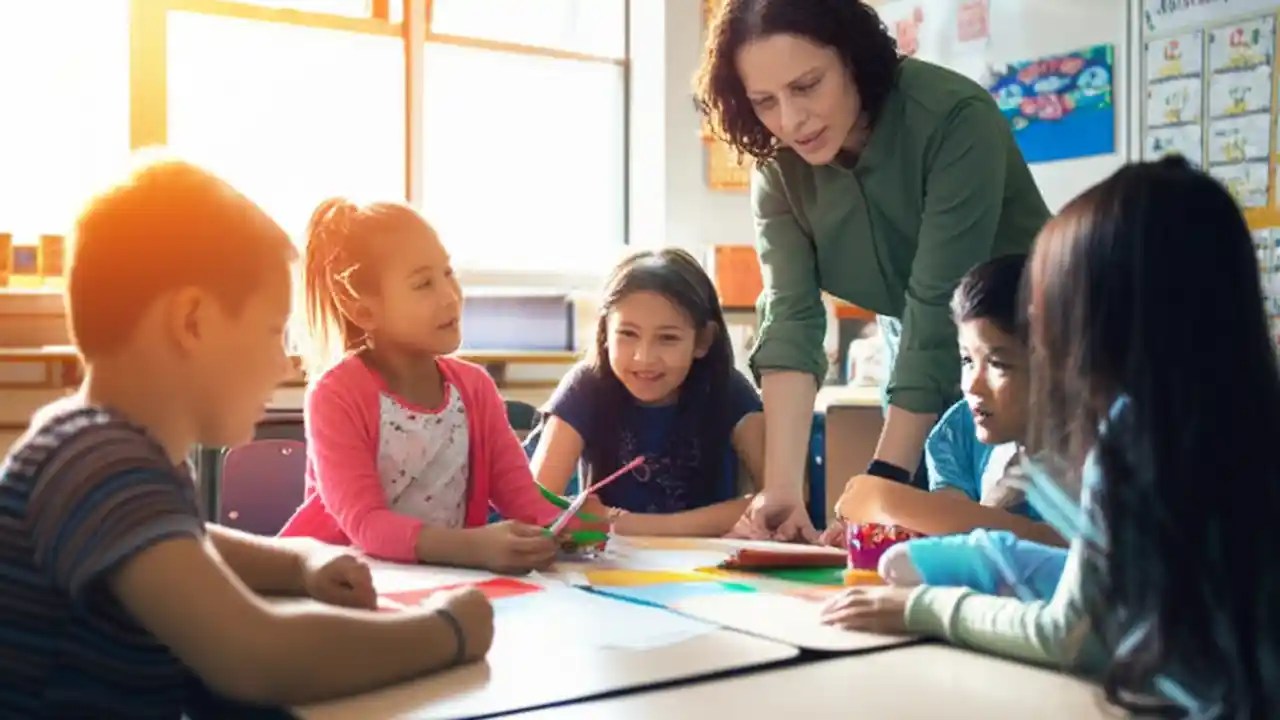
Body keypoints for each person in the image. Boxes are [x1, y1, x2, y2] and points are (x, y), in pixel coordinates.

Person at [0, 156, 493, 718]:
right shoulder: (97, 463)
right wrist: (447, 632)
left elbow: (191, 538)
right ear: (192, 322)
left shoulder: (95, 448)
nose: (283, 365)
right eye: (270, 332)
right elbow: (254, 654)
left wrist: (298, 565)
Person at [822, 157, 1280, 717]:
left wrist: (924, 609)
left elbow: (1071, 635)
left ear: (1108, 314)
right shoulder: (1241, 412)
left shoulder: (1131, 438)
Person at [694, 0, 1050, 542]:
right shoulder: (777, 167)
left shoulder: (954, 118)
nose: (790, 121)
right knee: (916, 548)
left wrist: (884, 479)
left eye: (807, 85)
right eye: (765, 102)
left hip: (1028, 366)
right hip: (916, 366)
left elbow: (937, 304)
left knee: (1011, 544)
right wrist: (782, 490)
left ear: (852, 59)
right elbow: (790, 316)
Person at [278, 199, 575, 574]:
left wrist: (576, 524)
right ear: (364, 311)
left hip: (450, 584)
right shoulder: (335, 395)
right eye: (423, 284)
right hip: (349, 587)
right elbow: (365, 524)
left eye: (448, 273)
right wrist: (473, 547)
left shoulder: (475, 387)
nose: (450, 295)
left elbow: (523, 498)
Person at [825, 254, 1064, 547]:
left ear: (1058, 365)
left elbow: (1072, 553)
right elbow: (952, 538)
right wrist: (885, 529)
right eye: (967, 360)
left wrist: (897, 504)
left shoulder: (1098, 452)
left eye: (998, 364)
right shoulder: (957, 430)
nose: (973, 386)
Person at [529, 249, 764, 537]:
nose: (644, 358)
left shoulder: (728, 389)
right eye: (627, 334)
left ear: (702, 340)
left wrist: (621, 523)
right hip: (611, 569)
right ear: (605, 333)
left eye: (668, 338)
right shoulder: (586, 386)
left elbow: (779, 501)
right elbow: (533, 505)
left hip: (706, 569)